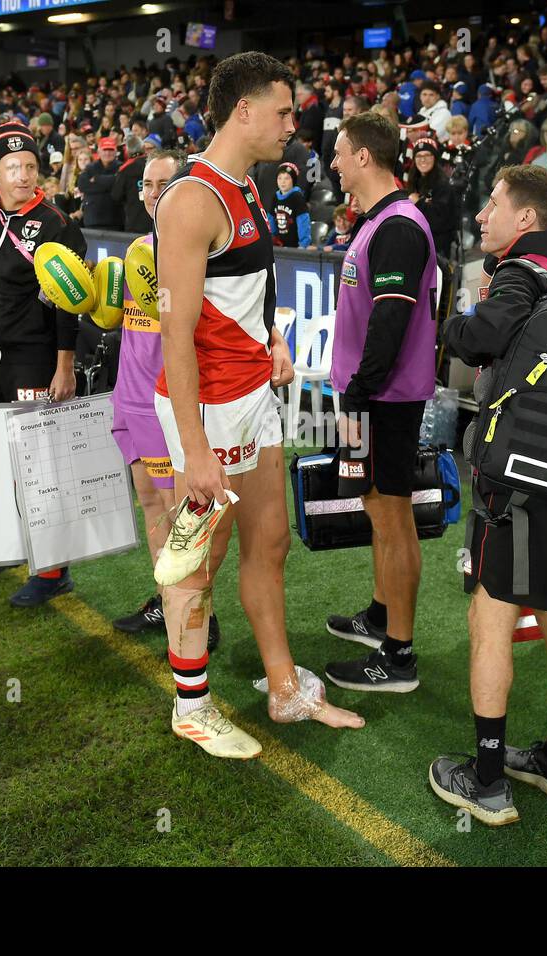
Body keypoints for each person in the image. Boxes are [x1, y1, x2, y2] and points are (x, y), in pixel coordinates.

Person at [152, 52, 365, 759]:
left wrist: (269, 335)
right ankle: (192, 704)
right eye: (281, 111)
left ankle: (280, 685)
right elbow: (175, 335)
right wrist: (195, 447)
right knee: (197, 562)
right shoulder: (192, 199)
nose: (293, 124)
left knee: (269, 542)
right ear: (242, 110)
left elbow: (242, 292)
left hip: (251, 393)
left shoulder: (246, 187)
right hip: (207, 409)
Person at [431, 165, 547, 826]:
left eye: (495, 206)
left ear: (526, 221)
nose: (484, 217)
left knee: (492, 617)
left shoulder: (521, 273)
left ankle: (486, 780)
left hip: (521, 479)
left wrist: (451, 322)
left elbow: (478, 340)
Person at [0, 121, 88, 608]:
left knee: (39, 464)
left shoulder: (56, 223)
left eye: (31, 166)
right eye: (14, 167)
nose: (25, 175)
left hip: (36, 358)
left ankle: (53, 571)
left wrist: (64, 366)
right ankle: (2, 549)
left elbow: (71, 302)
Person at [322, 110, 438, 694]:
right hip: (372, 395)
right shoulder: (380, 221)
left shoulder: (398, 225)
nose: (335, 161)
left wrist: (360, 393)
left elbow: (391, 322)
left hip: (384, 399)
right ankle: (380, 616)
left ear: (365, 156)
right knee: (377, 510)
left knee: (393, 520)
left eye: (341, 151)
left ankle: (398, 655)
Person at [110, 149, 224, 647]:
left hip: (166, 401)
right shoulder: (136, 249)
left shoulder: (191, 252)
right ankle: (164, 601)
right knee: (151, 506)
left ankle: (201, 613)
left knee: (184, 517)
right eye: (148, 184)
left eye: (164, 183)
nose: (154, 192)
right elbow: (126, 324)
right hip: (128, 398)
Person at [405, 137, 459, 257]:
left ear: (434, 157)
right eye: (419, 156)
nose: (423, 160)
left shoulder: (443, 184)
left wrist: (419, 202)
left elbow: (440, 220)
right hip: (418, 243)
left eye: (427, 155)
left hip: (438, 248)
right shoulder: (414, 181)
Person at [268, 161, 312, 248]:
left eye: (287, 178)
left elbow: (303, 220)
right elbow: (271, 219)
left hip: (295, 246)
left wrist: (303, 244)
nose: (282, 182)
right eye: (279, 178)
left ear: (293, 180)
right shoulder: (275, 196)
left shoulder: (297, 196)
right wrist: (271, 239)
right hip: (279, 244)